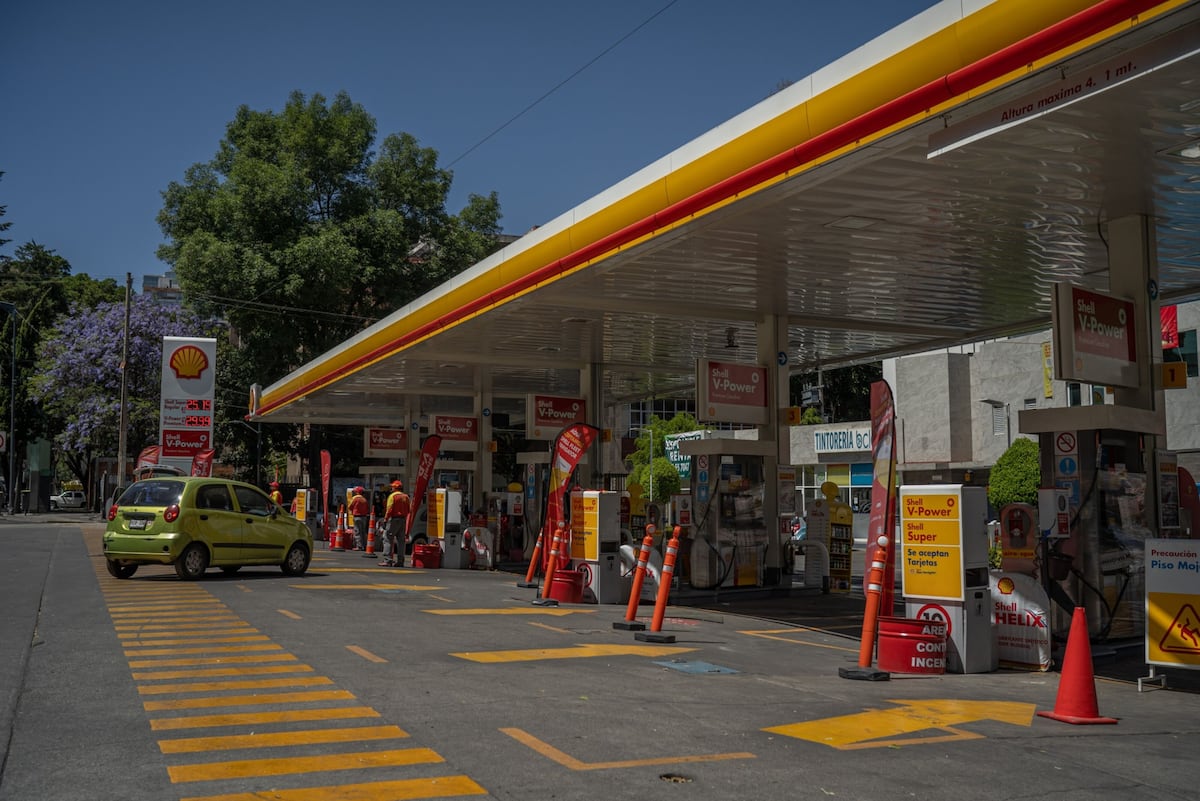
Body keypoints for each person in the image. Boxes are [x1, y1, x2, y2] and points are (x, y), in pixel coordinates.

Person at [380, 479, 411, 567]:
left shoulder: (392, 496)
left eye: (392, 487)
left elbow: (389, 509)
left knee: (387, 538)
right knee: (401, 541)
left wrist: (385, 520)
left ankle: (387, 560)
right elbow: (409, 510)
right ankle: (400, 561)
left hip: (393, 519)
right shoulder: (406, 497)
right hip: (403, 520)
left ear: (395, 488)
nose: (391, 488)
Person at [348, 486, 369, 550]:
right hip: (364, 517)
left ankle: (359, 546)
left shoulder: (355, 498)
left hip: (357, 516)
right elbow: (367, 508)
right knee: (363, 531)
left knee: (357, 531)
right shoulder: (364, 499)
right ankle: (364, 545)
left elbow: (350, 506)